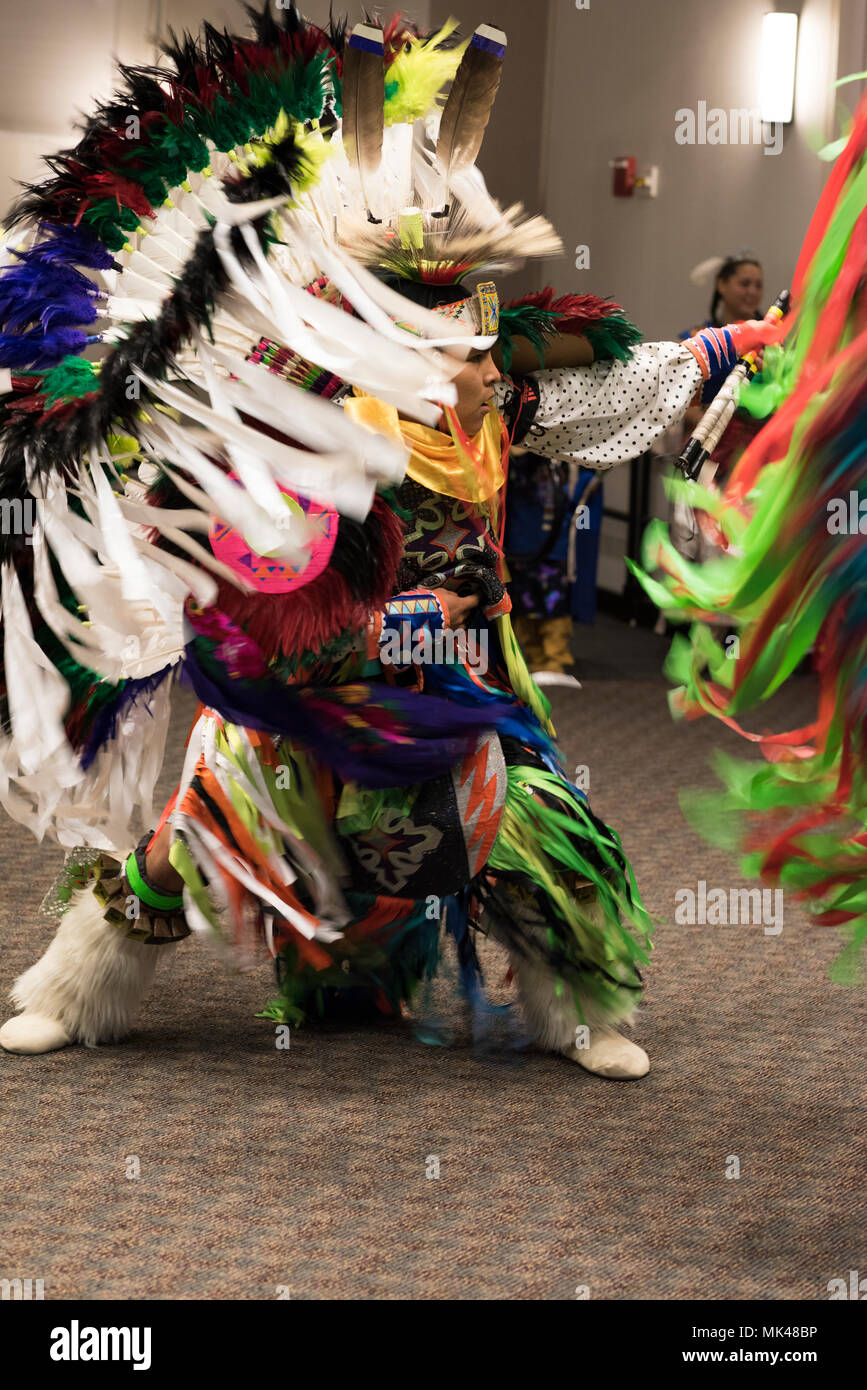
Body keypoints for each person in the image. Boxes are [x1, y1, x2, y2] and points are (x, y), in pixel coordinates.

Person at [0, 9, 780, 1077]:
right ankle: (75, 988)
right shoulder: (289, 409)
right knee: (201, 828)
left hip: (462, 680)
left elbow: (627, 381)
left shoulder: (500, 388)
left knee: (527, 835)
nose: (454, 332)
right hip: (315, 674)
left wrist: (738, 347)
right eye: (419, 309)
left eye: (461, 305)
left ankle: (581, 1009)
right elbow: (244, 568)